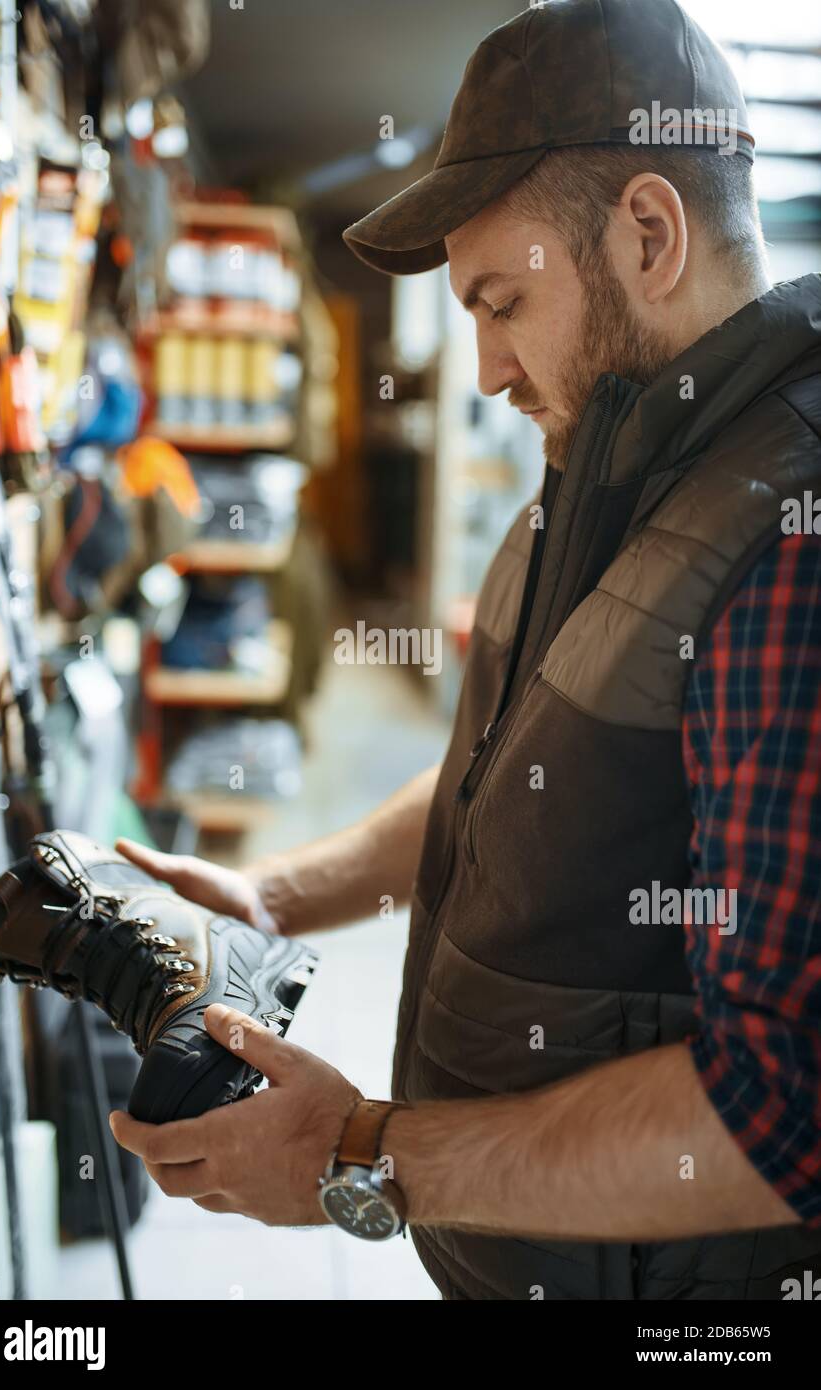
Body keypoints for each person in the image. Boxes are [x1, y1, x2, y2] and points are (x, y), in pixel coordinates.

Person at [110, 0, 821, 1299]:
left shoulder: (790, 535)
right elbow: (512, 779)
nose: (486, 367)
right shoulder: (601, 463)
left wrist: (364, 1152)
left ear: (649, 234)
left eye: (501, 302)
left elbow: (782, 1117)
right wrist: (279, 895)